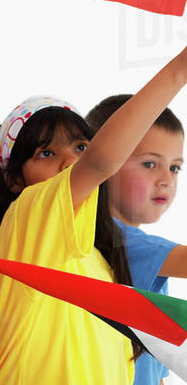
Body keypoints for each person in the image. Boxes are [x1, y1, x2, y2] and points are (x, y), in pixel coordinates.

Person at [0, 52, 187, 385]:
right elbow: (98, 163)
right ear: (14, 180)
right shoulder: (25, 219)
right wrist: (180, 70)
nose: (69, 162)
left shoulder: (102, 264)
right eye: (46, 153)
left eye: (80, 147)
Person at [85, 94, 187, 385]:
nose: (166, 179)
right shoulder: (119, 242)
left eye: (175, 167)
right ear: (107, 160)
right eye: (150, 164)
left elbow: (154, 368)